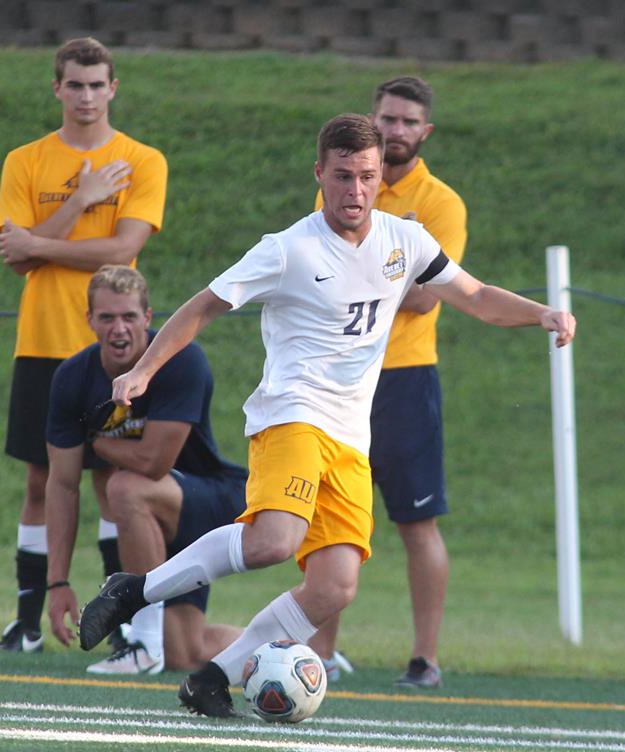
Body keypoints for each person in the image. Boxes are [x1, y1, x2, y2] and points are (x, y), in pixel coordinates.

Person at [74, 114, 574, 718]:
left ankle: (211, 679)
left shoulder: (406, 240)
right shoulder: (289, 248)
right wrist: (145, 370)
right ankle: (134, 590)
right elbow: (204, 306)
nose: (355, 190)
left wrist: (541, 313)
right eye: (342, 176)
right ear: (320, 174)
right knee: (274, 541)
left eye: (366, 176)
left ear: (380, 177)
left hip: (350, 436)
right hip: (292, 414)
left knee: (335, 586)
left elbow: (475, 296)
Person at [0, 37, 167, 653]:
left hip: (115, 351)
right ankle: (26, 623)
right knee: (40, 481)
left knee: (113, 480)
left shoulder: (142, 160)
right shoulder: (25, 160)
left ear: (112, 88)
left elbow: (122, 250)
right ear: (57, 88)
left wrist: (41, 242)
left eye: (97, 85)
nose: (86, 96)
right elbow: (16, 259)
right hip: (43, 343)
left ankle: (120, 625)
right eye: (75, 84)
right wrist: (81, 201)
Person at [306, 75, 468, 689]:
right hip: (340, 376)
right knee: (330, 518)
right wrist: (386, 265)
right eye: (387, 119)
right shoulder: (342, 184)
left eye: (408, 122)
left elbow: (427, 299)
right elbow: (319, 271)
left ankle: (425, 658)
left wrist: (363, 270)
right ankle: (321, 654)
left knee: (416, 523)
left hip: (403, 378)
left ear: (426, 131)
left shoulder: (440, 204)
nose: (396, 130)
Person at [41, 266, 246, 674]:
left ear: (148, 318)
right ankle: (290, 651)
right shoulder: (72, 379)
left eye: (129, 317)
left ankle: (144, 644)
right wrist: (57, 582)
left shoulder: (181, 360)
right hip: (150, 524)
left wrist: (98, 443)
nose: (119, 329)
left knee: (124, 486)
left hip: (206, 500)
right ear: (89, 320)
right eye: (107, 317)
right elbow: (62, 486)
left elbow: (155, 463)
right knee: (183, 653)